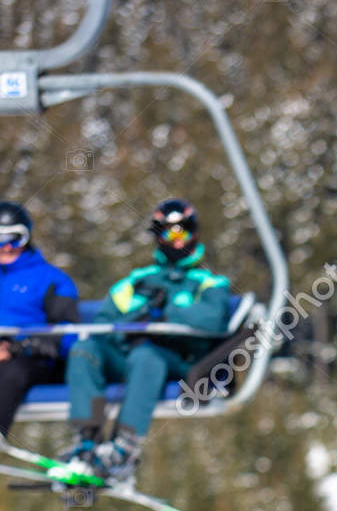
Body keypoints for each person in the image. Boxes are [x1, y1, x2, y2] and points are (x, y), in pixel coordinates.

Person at [62, 199, 233, 485]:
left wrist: (168, 311)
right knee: (85, 350)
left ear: (194, 233)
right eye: (168, 233)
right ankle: (87, 443)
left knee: (146, 358)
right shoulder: (138, 280)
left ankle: (123, 448)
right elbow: (104, 321)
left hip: (174, 359)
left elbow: (212, 321)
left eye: (183, 232)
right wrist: (134, 318)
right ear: (157, 236)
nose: (176, 241)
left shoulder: (208, 282)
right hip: (126, 354)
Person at [0, 200, 78, 440]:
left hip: (33, 360)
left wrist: (18, 347)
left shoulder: (52, 280)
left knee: (13, 372)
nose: (6, 248)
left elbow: (67, 334)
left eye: (13, 240)